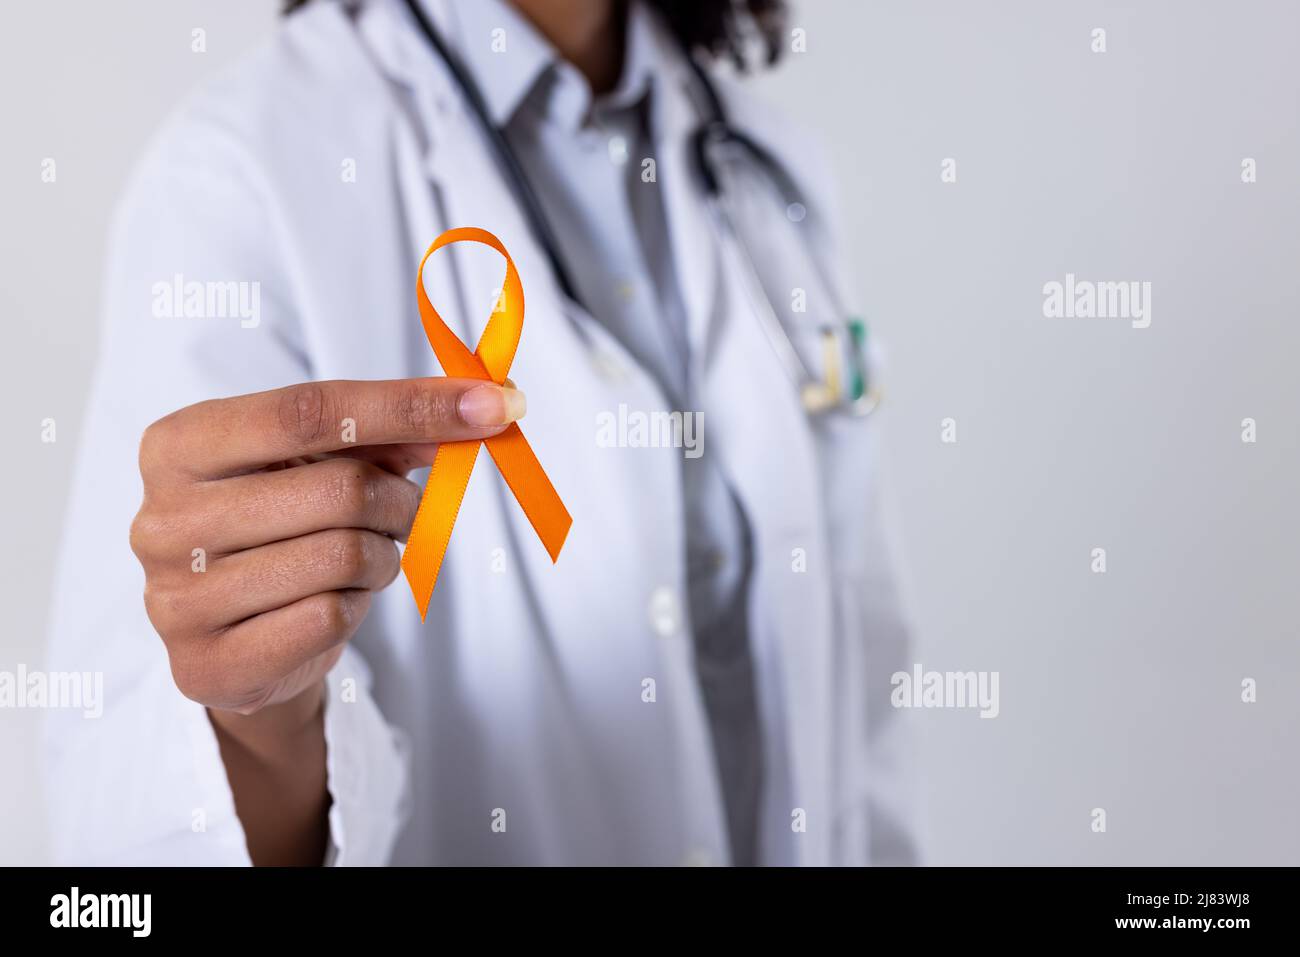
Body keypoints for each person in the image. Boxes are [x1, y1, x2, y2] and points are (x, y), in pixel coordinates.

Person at [44, 0, 917, 866]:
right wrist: (257, 718)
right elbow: (139, 836)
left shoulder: (769, 167)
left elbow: (860, 706)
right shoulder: (240, 175)